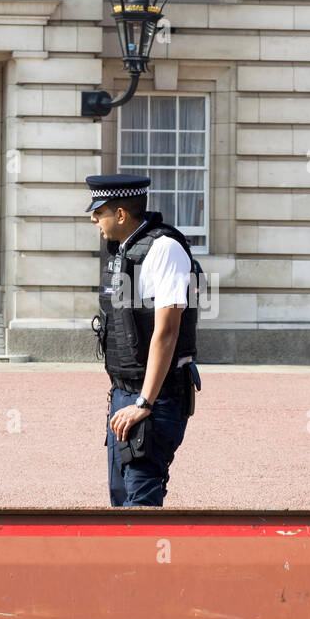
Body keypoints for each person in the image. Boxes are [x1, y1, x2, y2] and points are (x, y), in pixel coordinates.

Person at [87, 174, 202, 507]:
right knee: (119, 496)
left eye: (99, 212)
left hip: (155, 399)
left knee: (141, 500)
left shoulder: (164, 249)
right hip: (126, 394)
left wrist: (144, 403)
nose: (94, 219)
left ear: (121, 214)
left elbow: (167, 330)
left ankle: (150, 560)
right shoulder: (124, 250)